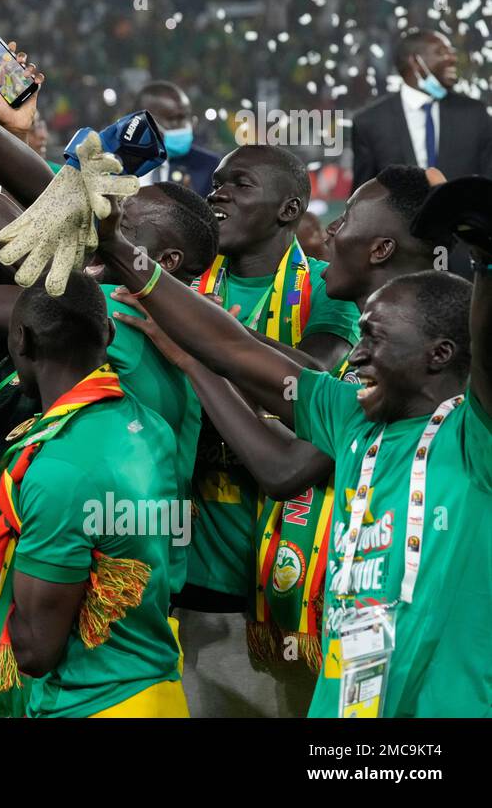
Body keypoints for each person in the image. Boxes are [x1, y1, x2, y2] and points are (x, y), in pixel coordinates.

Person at [94, 186, 492, 716]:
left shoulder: (475, 440)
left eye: (375, 339)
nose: (361, 354)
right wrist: (118, 248)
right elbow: (233, 348)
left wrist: (486, 265)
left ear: (438, 354)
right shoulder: (350, 414)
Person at [0, 276, 186, 717]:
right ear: (108, 334)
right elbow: (104, 536)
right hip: (158, 692)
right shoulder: (149, 427)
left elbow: (32, 650)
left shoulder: (57, 469)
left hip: (93, 704)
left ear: (21, 340)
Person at [174, 143, 359, 716]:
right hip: (183, 588)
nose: (217, 193)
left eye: (240, 184)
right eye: (217, 183)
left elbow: (312, 378)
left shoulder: (330, 286)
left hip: (286, 595)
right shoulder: (181, 281)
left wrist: (205, 345)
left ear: (289, 210)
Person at [349, 28, 492, 189]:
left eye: (451, 52)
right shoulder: (370, 122)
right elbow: (362, 198)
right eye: (441, 52)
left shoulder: (475, 114)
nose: (453, 58)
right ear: (416, 62)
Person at [136, 80, 219, 196]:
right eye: (174, 119)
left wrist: (192, 205)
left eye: (186, 117)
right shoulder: (113, 165)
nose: (185, 126)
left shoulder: (209, 167)